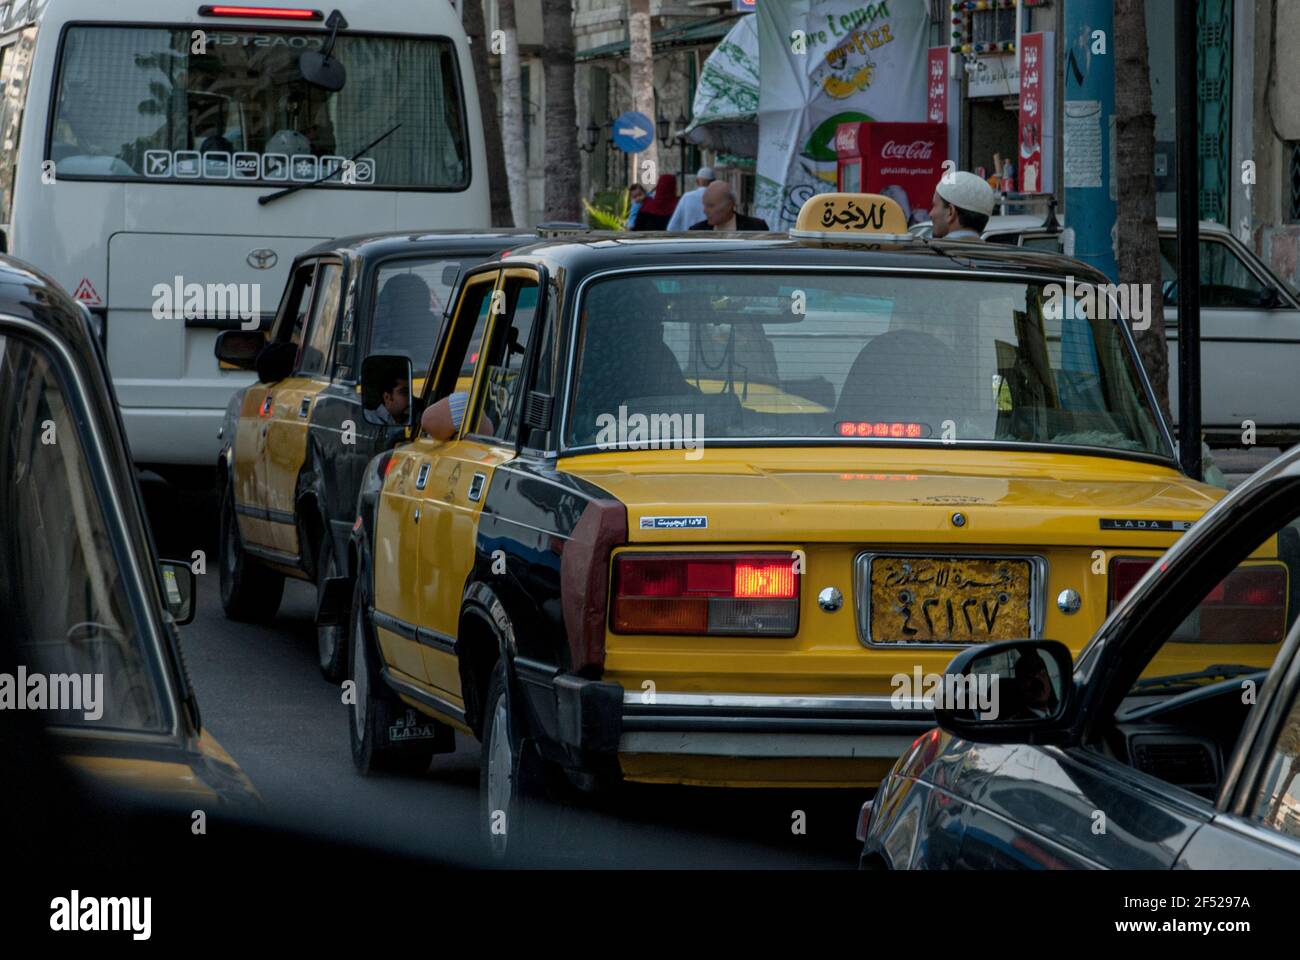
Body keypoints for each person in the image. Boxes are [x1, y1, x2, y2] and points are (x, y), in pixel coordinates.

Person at [928, 170, 995, 240]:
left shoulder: (927, 250)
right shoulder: (997, 250)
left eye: (934, 206)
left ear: (950, 212)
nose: (930, 214)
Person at [688, 181, 769, 231]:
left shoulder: (757, 228)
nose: (705, 211)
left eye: (711, 206)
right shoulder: (696, 232)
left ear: (729, 206)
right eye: (704, 205)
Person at [666, 166, 715, 231]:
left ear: (697, 181)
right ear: (713, 181)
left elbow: (672, 227)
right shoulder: (718, 198)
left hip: (689, 238)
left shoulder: (687, 197)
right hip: (710, 238)